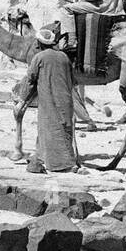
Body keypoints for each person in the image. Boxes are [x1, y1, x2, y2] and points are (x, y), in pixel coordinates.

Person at [25, 25, 79, 173]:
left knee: (49, 129)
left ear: (39, 44)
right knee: (65, 129)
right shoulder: (64, 57)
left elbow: (30, 78)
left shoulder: (39, 57)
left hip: (49, 100)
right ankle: (50, 158)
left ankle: (59, 164)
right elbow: (73, 80)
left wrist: (25, 96)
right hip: (66, 100)